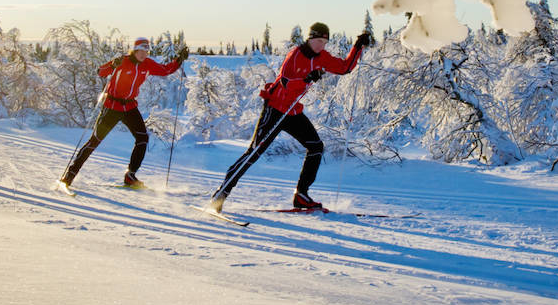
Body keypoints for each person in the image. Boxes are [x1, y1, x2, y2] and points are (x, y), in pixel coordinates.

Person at [209, 22, 372, 212]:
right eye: (319, 41)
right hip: (275, 108)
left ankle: (301, 195)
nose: (322, 46)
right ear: (310, 39)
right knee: (255, 152)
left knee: (316, 147)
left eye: (325, 42)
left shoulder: (322, 57)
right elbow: (286, 81)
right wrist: (308, 78)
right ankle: (222, 193)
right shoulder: (295, 55)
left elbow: (344, 68)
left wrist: (358, 46)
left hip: (293, 111)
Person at [58, 37, 187, 191]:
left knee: (142, 138)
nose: (144, 54)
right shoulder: (122, 61)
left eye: (146, 51)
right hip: (112, 107)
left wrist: (179, 60)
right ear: (135, 50)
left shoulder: (148, 64)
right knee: (95, 141)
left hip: (130, 107)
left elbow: (165, 70)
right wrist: (113, 65)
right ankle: (69, 175)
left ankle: (130, 176)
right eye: (141, 51)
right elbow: (101, 72)